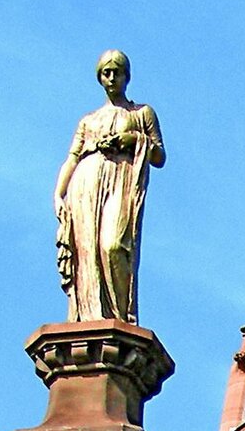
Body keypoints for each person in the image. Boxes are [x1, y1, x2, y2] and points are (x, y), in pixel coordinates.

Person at [54, 51, 164, 322]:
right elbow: (72, 158)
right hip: (86, 187)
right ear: (100, 78)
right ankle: (93, 315)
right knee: (87, 250)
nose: (112, 77)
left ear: (127, 76)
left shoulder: (142, 113)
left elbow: (160, 156)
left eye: (117, 72)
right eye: (106, 72)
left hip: (121, 183)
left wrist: (133, 140)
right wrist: (59, 193)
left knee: (113, 245)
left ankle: (120, 317)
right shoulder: (88, 120)